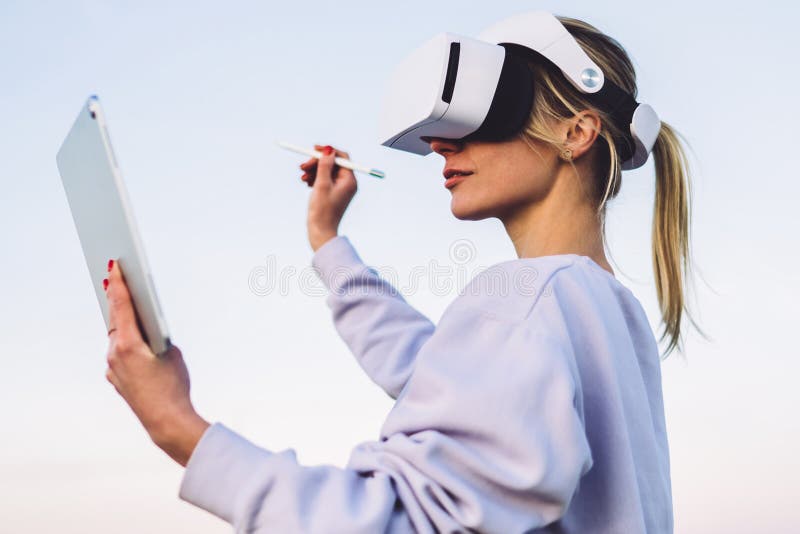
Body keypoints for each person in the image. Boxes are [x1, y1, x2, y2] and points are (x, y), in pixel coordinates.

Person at [101, 13, 701, 533]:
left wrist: (176, 426)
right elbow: (436, 370)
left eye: (486, 109)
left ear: (576, 132)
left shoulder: (529, 298)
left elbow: (405, 521)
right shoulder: (602, 312)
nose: (441, 143)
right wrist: (327, 241)